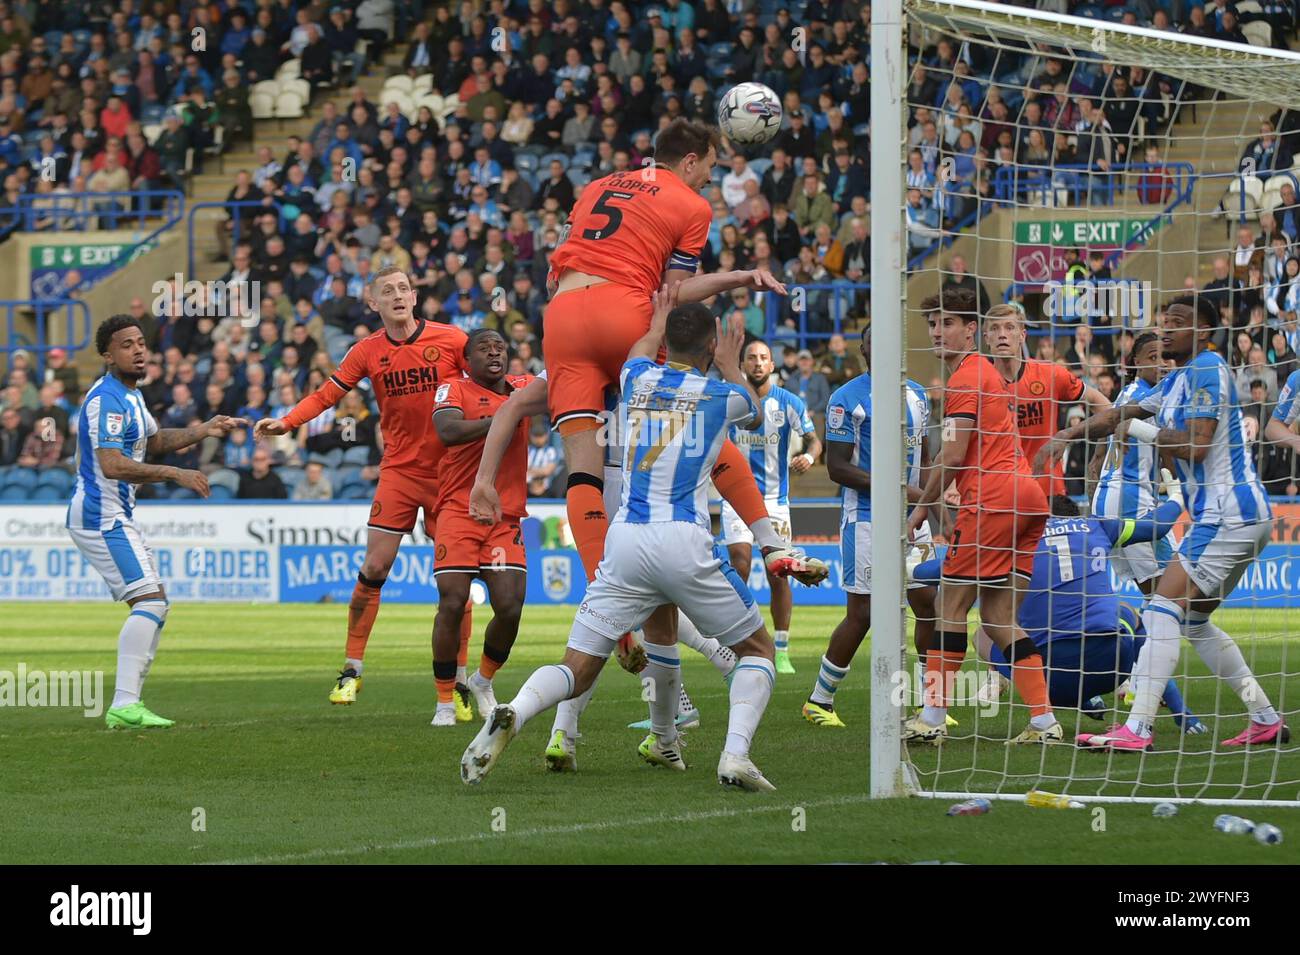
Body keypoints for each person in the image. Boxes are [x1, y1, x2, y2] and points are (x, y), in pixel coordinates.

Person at [461, 296, 785, 791]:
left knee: (579, 665)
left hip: (625, 541)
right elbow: (756, 415)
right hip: (683, 538)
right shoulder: (722, 395)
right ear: (713, 343)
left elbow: (639, 347)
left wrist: (655, 322)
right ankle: (735, 756)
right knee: (758, 650)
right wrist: (725, 364)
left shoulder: (635, 377)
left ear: (663, 340)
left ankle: (518, 711)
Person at [541, 118, 787, 657]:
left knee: (582, 468)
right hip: (626, 314)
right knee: (693, 419)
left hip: (561, 318)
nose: (709, 180)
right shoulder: (692, 206)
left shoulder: (597, 186)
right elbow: (675, 294)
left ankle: (603, 608)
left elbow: (553, 270)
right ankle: (771, 545)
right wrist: (741, 276)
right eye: (711, 167)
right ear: (692, 160)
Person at [1037, 296, 1287, 750]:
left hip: (1227, 515)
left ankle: (1138, 728)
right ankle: (1265, 718)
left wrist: (1139, 431)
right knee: (1191, 623)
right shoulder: (1174, 383)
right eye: (1163, 322)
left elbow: (1195, 446)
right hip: (1233, 516)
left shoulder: (1208, 367)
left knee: (1159, 611)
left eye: (1177, 323)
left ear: (1205, 332)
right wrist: (1067, 435)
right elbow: (1120, 414)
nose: (1165, 330)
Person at [255, 268, 473, 709]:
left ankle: (460, 682)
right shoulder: (367, 351)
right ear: (372, 303)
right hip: (398, 471)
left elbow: (488, 384)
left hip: (449, 473)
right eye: (385, 291)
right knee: (375, 566)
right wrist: (288, 421)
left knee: (454, 582)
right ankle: (352, 669)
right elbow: (326, 395)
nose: (396, 296)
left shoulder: (452, 340)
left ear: (415, 296)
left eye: (402, 289)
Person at [67, 315, 246, 729]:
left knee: (155, 603)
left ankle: (129, 703)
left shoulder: (131, 396)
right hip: (100, 516)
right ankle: (125, 705)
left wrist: (204, 429)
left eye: (141, 342)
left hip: (115, 515)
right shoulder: (104, 401)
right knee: (150, 601)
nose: (138, 350)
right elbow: (111, 465)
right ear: (107, 355)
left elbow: (153, 440)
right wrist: (174, 473)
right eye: (127, 344)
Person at [904, 287, 1059, 745]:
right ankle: (1044, 721)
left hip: (993, 498)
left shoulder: (965, 377)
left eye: (948, 322)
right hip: (1028, 498)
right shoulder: (982, 372)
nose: (937, 330)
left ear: (972, 330)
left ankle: (931, 718)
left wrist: (918, 511)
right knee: (998, 617)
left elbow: (951, 453)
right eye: (932, 322)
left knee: (946, 606)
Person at [911, 495, 1205, 733]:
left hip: (1047, 680)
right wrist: (1178, 498)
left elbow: (934, 573)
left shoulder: (1012, 541)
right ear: (1075, 514)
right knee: (1128, 611)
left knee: (985, 631)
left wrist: (907, 563)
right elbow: (1156, 526)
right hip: (1110, 667)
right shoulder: (1096, 526)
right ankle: (1182, 712)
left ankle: (1056, 709)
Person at [804, 326, 938, 727]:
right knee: (862, 613)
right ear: (863, 350)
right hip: (865, 519)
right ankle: (819, 701)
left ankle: (930, 707)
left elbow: (927, 456)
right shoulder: (846, 398)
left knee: (928, 604)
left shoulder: (917, 395)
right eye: (872, 343)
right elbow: (838, 467)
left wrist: (929, 501)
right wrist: (903, 489)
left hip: (913, 516)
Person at [428, 329, 534, 727]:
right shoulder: (452, 389)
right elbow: (448, 432)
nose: (494, 352)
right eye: (484, 348)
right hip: (459, 510)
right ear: (467, 359)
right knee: (452, 601)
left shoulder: (524, 387)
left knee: (509, 606)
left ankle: (483, 680)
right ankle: (443, 701)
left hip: (505, 518)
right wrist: (504, 418)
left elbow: (566, 385)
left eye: (500, 347)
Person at [719, 339, 821, 674]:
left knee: (780, 574)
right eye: (751, 358)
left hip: (775, 502)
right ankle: (740, 642)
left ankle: (780, 649)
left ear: (772, 365)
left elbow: (813, 439)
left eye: (763, 358)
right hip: (736, 498)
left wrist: (808, 455)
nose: (758, 363)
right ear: (743, 364)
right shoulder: (733, 399)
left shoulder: (788, 402)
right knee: (740, 564)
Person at [983, 302, 1110, 496]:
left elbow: (1101, 404)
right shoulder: (978, 386)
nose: (1002, 334)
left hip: (1049, 493)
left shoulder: (1050, 374)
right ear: (986, 338)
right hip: (1000, 495)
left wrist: (1100, 453)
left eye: (1009, 327)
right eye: (995, 328)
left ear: (1022, 335)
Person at [1091, 332, 1171, 593]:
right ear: (1135, 361)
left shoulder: (1124, 394)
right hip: (1132, 501)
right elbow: (1169, 449)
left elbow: (1097, 457)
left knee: (1152, 591)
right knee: (1171, 590)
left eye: (1165, 357)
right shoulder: (1149, 400)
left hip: (1107, 500)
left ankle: (1145, 633)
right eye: (1153, 357)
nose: (1161, 363)